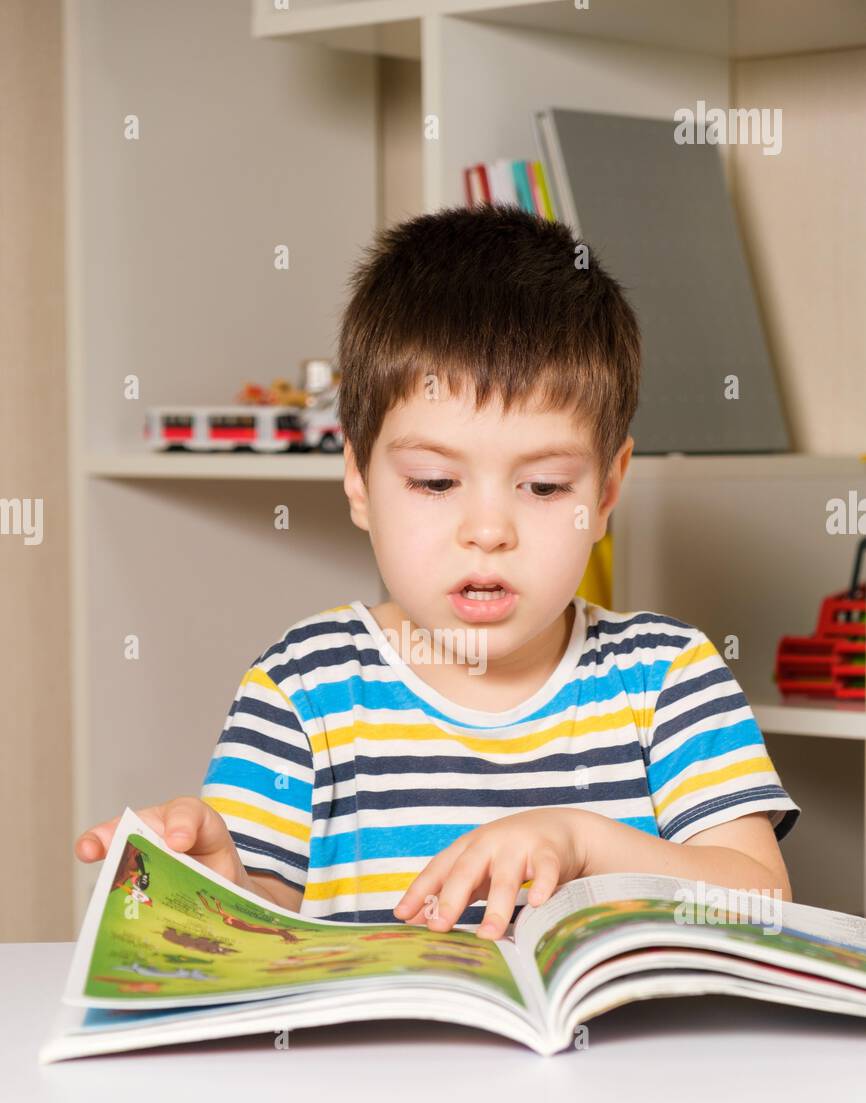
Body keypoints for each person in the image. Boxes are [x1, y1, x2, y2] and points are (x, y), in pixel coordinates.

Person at [76, 204, 799, 940]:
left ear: (607, 491)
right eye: (433, 482)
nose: (488, 532)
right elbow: (259, 920)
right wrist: (216, 879)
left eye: (544, 487)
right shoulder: (305, 688)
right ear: (358, 479)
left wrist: (585, 844)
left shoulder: (668, 677)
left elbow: (763, 902)